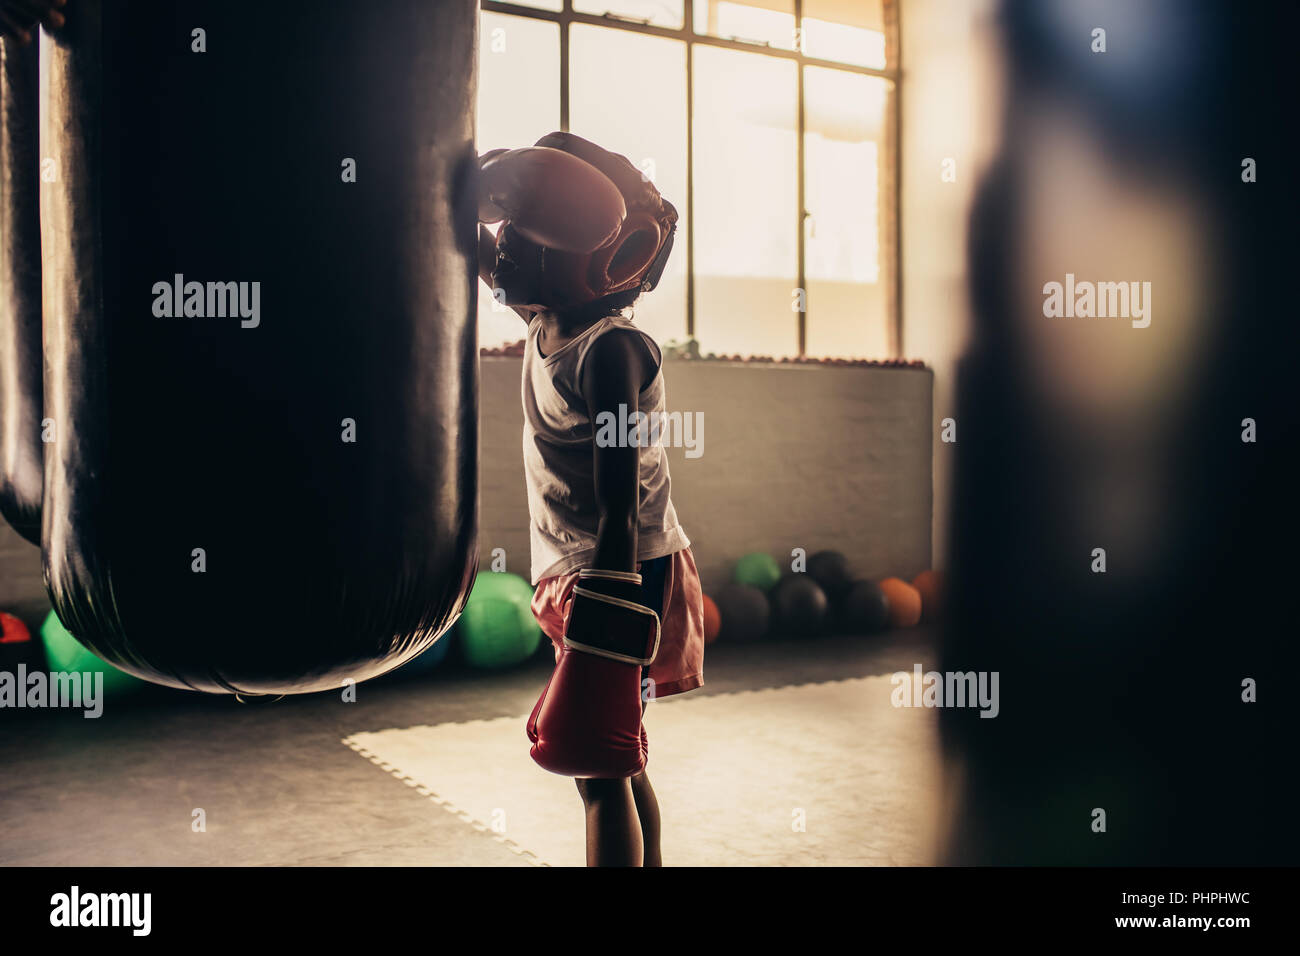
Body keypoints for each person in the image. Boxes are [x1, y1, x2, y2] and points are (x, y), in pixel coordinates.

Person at [476, 132, 704, 867]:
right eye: (512, 231)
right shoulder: (552, 324)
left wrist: (607, 618)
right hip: (579, 571)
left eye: (525, 232)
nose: (509, 248)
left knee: (597, 767)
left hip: (622, 569)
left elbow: (618, 495)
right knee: (618, 757)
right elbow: (483, 263)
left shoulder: (612, 351)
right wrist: (452, 187)